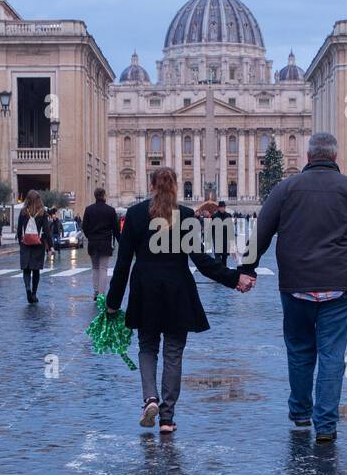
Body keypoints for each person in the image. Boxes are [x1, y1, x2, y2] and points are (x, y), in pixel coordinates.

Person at [240, 132, 347, 445]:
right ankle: (327, 425)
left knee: (300, 350)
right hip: (339, 284)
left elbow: (260, 232)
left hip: (296, 283)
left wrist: (247, 270)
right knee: (332, 355)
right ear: (335, 158)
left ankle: (301, 413)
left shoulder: (285, 189)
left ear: (308, 157)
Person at [106, 168, 252, 434]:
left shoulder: (135, 215)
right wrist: (235, 279)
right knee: (173, 353)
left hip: (145, 291)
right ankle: (166, 417)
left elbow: (123, 265)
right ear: (175, 187)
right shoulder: (185, 216)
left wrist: (112, 303)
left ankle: (150, 398)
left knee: (147, 348)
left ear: (151, 185)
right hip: (177, 292)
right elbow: (203, 262)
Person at [83, 187, 120, 300]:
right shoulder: (110, 210)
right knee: (103, 268)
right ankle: (101, 294)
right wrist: (120, 242)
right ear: (104, 195)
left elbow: (84, 226)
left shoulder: (89, 209)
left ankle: (95, 291)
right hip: (105, 242)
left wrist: (90, 236)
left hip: (93, 242)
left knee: (95, 268)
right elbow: (116, 229)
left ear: (95, 196)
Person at [16, 191, 52, 303]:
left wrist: (20, 241)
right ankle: (34, 294)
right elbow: (46, 231)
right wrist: (50, 246)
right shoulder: (43, 213)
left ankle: (27, 289)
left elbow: (18, 229)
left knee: (26, 269)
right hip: (38, 244)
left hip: (25, 244)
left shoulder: (23, 212)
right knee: (35, 270)